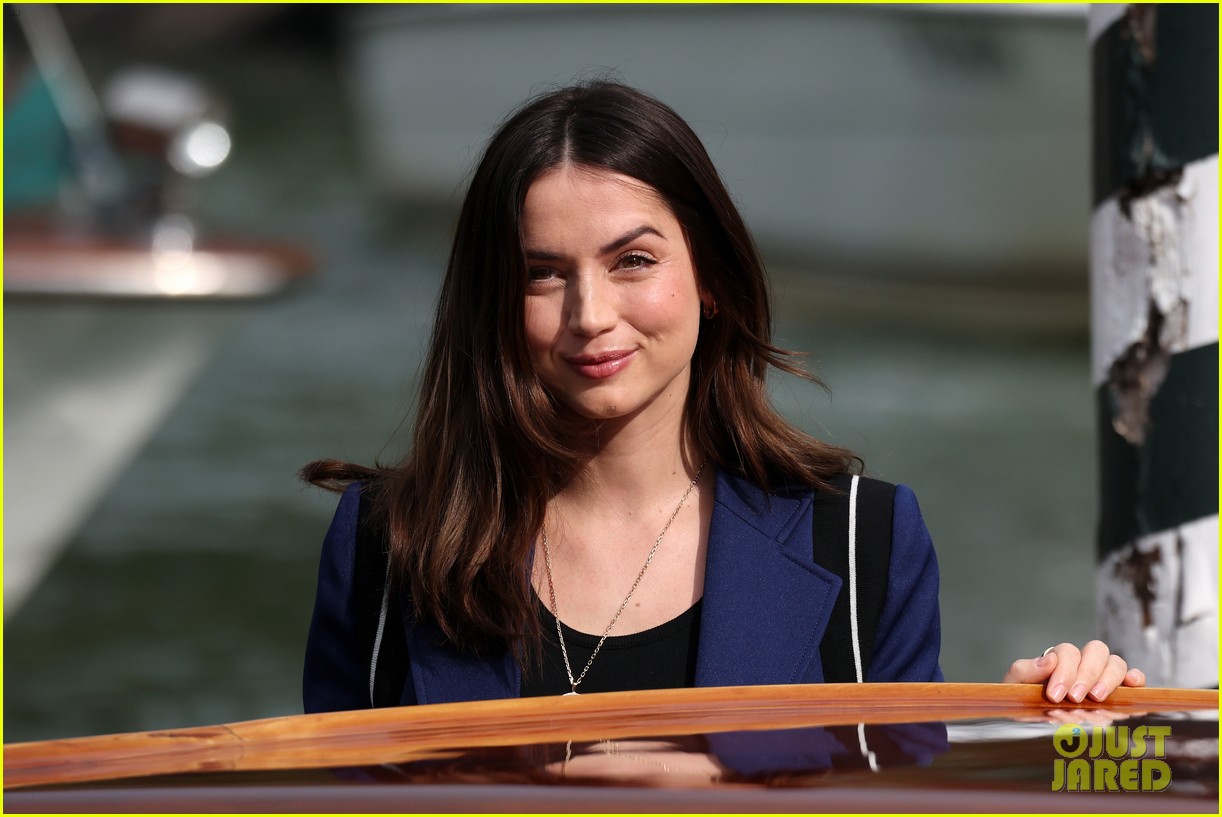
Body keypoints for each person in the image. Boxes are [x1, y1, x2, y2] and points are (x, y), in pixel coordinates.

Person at [302, 80, 1144, 712]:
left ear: (711, 278)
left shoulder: (864, 539)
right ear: (491, 301)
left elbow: (909, 793)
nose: (591, 315)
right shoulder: (388, 543)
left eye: (633, 261)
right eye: (543, 274)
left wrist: (1035, 728)